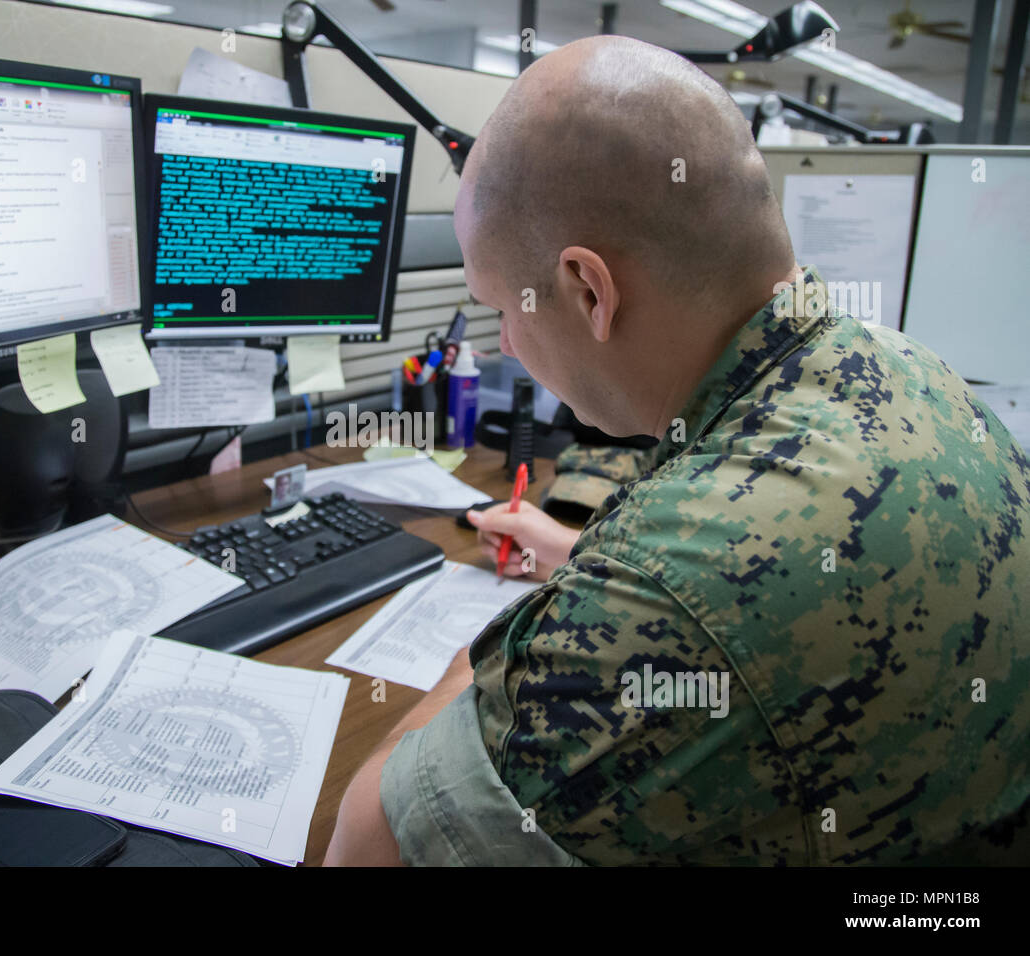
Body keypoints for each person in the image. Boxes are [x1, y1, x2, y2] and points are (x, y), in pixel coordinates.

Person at [324, 35, 1030, 866]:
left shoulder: (671, 593)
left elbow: (365, 845)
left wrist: (480, 659)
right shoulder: (911, 370)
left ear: (590, 288)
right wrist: (582, 556)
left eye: (501, 309)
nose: (507, 344)